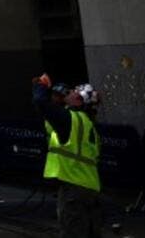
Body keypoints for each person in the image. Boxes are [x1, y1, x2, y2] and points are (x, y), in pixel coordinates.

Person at [33, 75, 102, 238]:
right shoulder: (89, 123)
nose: (68, 93)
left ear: (78, 100)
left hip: (74, 188)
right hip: (91, 187)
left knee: (73, 231)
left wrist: (41, 85)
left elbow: (41, 103)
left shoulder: (71, 120)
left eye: (73, 92)